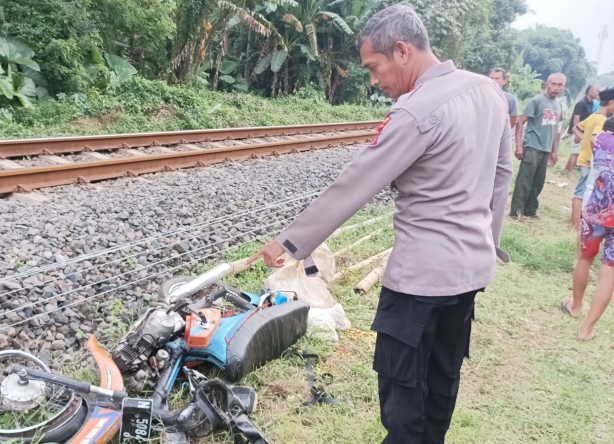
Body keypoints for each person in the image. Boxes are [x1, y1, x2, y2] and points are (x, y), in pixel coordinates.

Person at [247, 5, 512, 443]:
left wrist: (290, 242)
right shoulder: (488, 92)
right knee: (443, 377)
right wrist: (489, 241)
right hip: (469, 274)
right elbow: (501, 176)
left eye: (374, 66)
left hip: (418, 282)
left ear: (402, 50)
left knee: (402, 387)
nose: (373, 80)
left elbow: (357, 182)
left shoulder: (415, 111)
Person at [562, 118, 614, 340]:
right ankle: (586, 329)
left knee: (584, 259)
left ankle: (575, 306)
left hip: (596, 210)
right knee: (609, 274)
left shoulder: (599, 139)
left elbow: (591, 138)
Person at [509, 73, 566, 219]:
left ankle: (530, 210)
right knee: (524, 181)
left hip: (545, 150)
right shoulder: (537, 101)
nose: (555, 87)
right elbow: (520, 122)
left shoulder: (558, 105)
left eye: (559, 85)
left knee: (538, 183)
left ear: (563, 87)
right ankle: (516, 212)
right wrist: (519, 146)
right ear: (547, 84)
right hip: (532, 148)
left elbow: (554, 129)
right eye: (553, 84)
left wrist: (554, 150)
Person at [570, 88, 614, 230]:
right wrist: (598, 156)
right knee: (583, 192)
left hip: (585, 158)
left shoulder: (594, 116)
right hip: (590, 161)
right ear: (611, 103)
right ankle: (576, 224)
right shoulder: (602, 120)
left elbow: (575, 128)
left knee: (582, 190)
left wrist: (584, 140)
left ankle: (576, 221)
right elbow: (595, 139)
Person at [565, 85, 600, 176]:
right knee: (575, 152)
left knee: (577, 151)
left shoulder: (591, 103)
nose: (598, 93)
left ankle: (567, 169)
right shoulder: (582, 103)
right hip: (578, 131)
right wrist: (577, 134)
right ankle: (570, 173)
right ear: (590, 91)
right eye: (597, 91)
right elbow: (576, 118)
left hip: (583, 132)